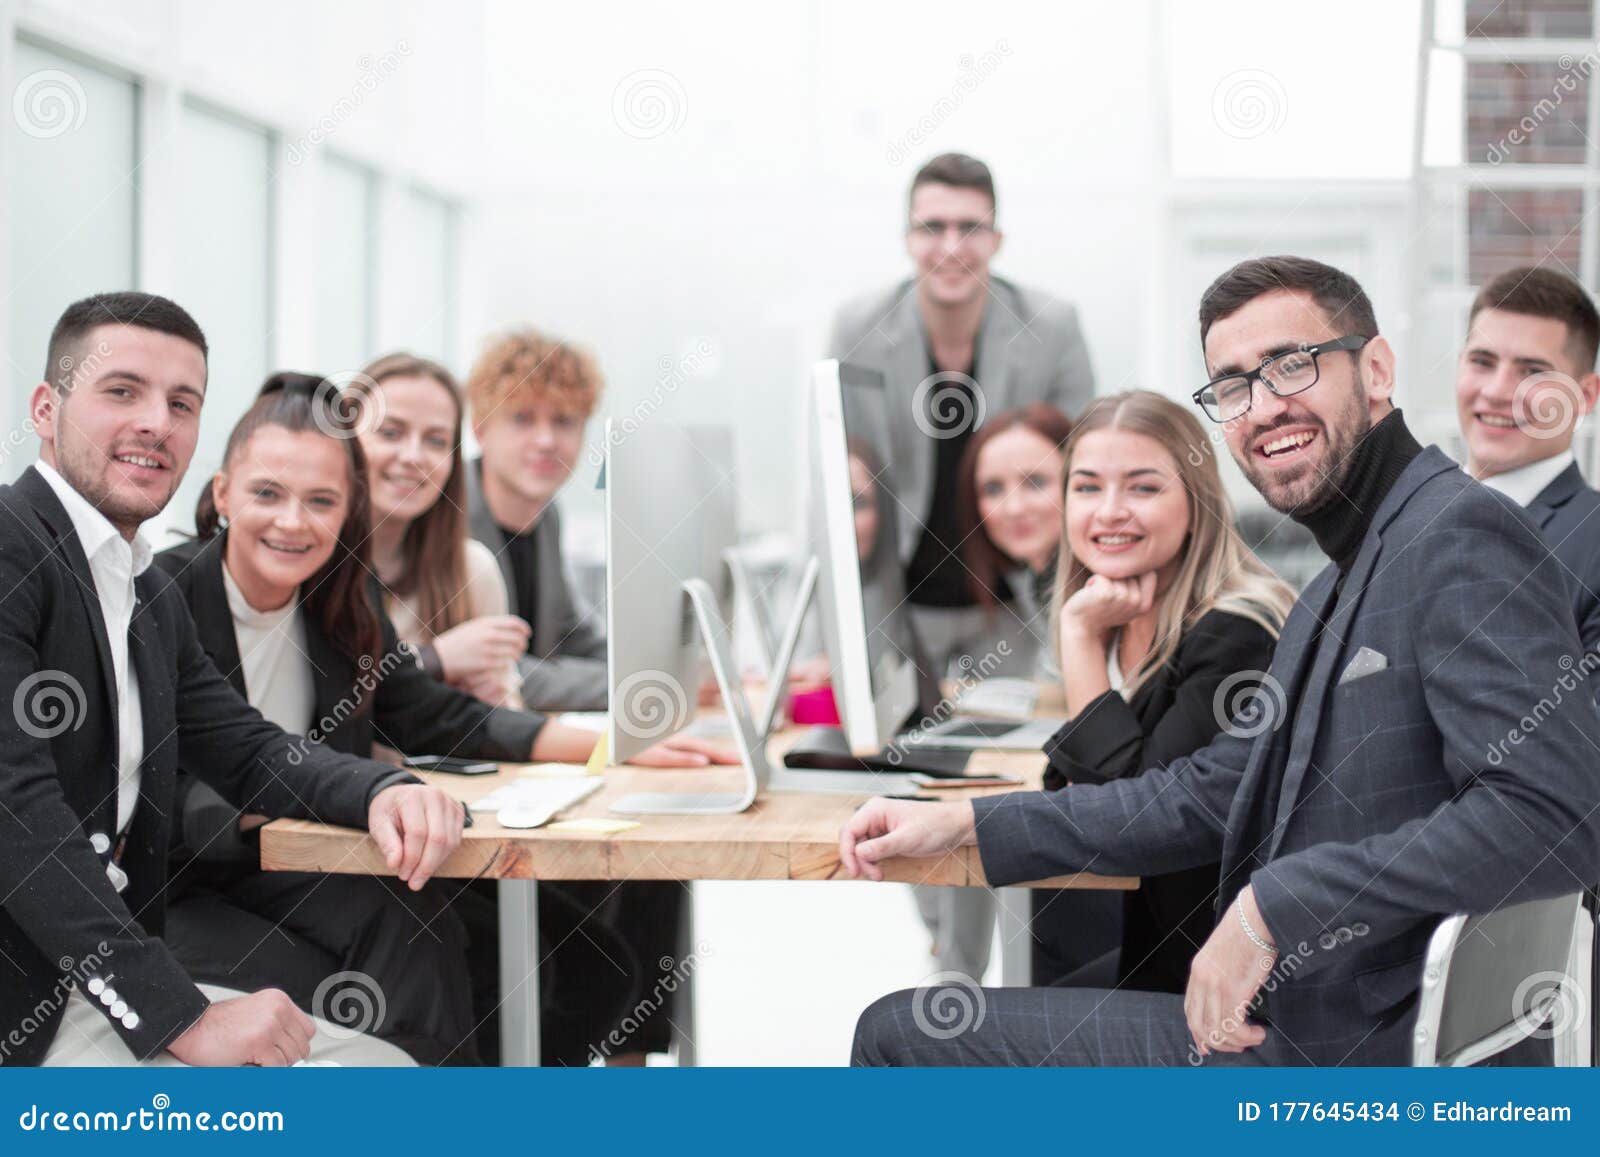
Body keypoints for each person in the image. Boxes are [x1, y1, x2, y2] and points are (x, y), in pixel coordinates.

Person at [842, 256, 1600, 1066]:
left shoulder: (1456, 534)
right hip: (1304, 1022)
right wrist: (967, 820)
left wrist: (1272, 908)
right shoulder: (1338, 580)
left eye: (1291, 365)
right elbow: (1206, 794)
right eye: (1232, 386)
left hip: (1347, 1057)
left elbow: (1556, 817)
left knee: (904, 1035)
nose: (1264, 405)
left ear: (1376, 369)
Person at [157, 373, 733, 1066]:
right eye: (267, 494)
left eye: (321, 501)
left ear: (348, 512)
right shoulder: (165, 595)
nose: (292, 521)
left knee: (596, 968)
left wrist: (613, 746)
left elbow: (435, 714)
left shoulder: (340, 595)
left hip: (323, 868)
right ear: (222, 493)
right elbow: (161, 784)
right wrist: (329, 800)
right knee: (432, 954)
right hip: (194, 886)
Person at [0, 292, 466, 1067]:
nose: (157, 422)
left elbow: (250, 750)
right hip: (29, 1001)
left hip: (89, 982)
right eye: (122, 391)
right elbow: (16, 815)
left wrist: (384, 790)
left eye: (182, 403)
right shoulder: (12, 549)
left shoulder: (142, 591)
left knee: (393, 1066)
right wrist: (179, 1016)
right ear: (46, 408)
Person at [1031, 391, 1293, 993]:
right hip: (1154, 947)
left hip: (1213, 989)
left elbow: (1132, 825)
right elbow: (1075, 786)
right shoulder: (1125, 609)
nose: (1109, 512)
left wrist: (1077, 638)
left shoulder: (1236, 634)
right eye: (1087, 486)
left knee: (912, 1035)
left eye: (1144, 488)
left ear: (1196, 503)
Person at [828, 152, 1095, 678]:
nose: (951, 247)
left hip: (1014, 603)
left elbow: (1083, 474)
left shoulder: (1053, 326)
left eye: (970, 227)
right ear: (907, 238)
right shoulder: (858, 329)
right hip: (897, 602)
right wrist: (824, 637)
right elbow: (832, 484)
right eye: (933, 227)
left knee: (1025, 746)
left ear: (997, 239)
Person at [348, 352, 530, 708]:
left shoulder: (472, 570)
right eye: (390, 432)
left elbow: (509, 717)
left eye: (436, 441)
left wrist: (491, 705)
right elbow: (324, 712)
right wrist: (435, 660)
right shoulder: (307, 561)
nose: (414, 456)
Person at [1455, 265, 1600, 651]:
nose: (1499, 391)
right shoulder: (1399, 519)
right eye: (1482, 361)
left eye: (1533, 372)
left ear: (1585, 396)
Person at [464, 329, 607, 712]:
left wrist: (663, 669)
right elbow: (493, 672)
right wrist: (636, 685)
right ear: (480, 428)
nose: (546, 441)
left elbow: (575, 638)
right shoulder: (445, 516)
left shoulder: (546, 515)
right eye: (522, 418)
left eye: (564, 421)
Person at [955, 403, 1074, 677]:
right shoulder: (1034, 579)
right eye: (993, 489)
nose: (1014, 508)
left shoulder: (1100, 590)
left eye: (1035, 483)